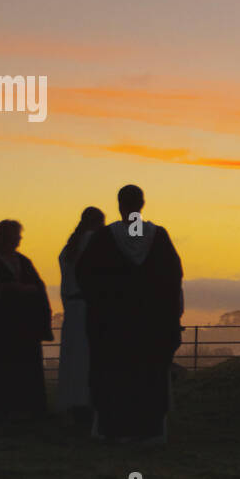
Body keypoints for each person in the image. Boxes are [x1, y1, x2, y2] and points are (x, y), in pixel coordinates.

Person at [77, 185, 183, 443]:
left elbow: (86, 277)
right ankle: (149, 431)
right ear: (142, 204)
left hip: (113, 326)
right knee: (147, 376)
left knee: (115, 376)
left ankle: (113, 429)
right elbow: (173, 280)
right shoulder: (158, 237)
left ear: (120, 205)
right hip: (150, 326)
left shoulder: (103, 238)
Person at [0, 220, 53, 423]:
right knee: (1, 369)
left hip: (25, 327)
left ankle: (28, 413)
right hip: (0, 326)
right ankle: (1, 413)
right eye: (16, 235)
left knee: (26, 369)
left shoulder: (23, 261)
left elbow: (38, 286)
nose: (19, 239)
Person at [56, 207, 105, 428]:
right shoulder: (96, 242)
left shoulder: (69, 248)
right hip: (90, 305)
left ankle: (74, 405)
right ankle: (90, 405)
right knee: (90, 358)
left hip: (73, 308)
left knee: (73, 360)